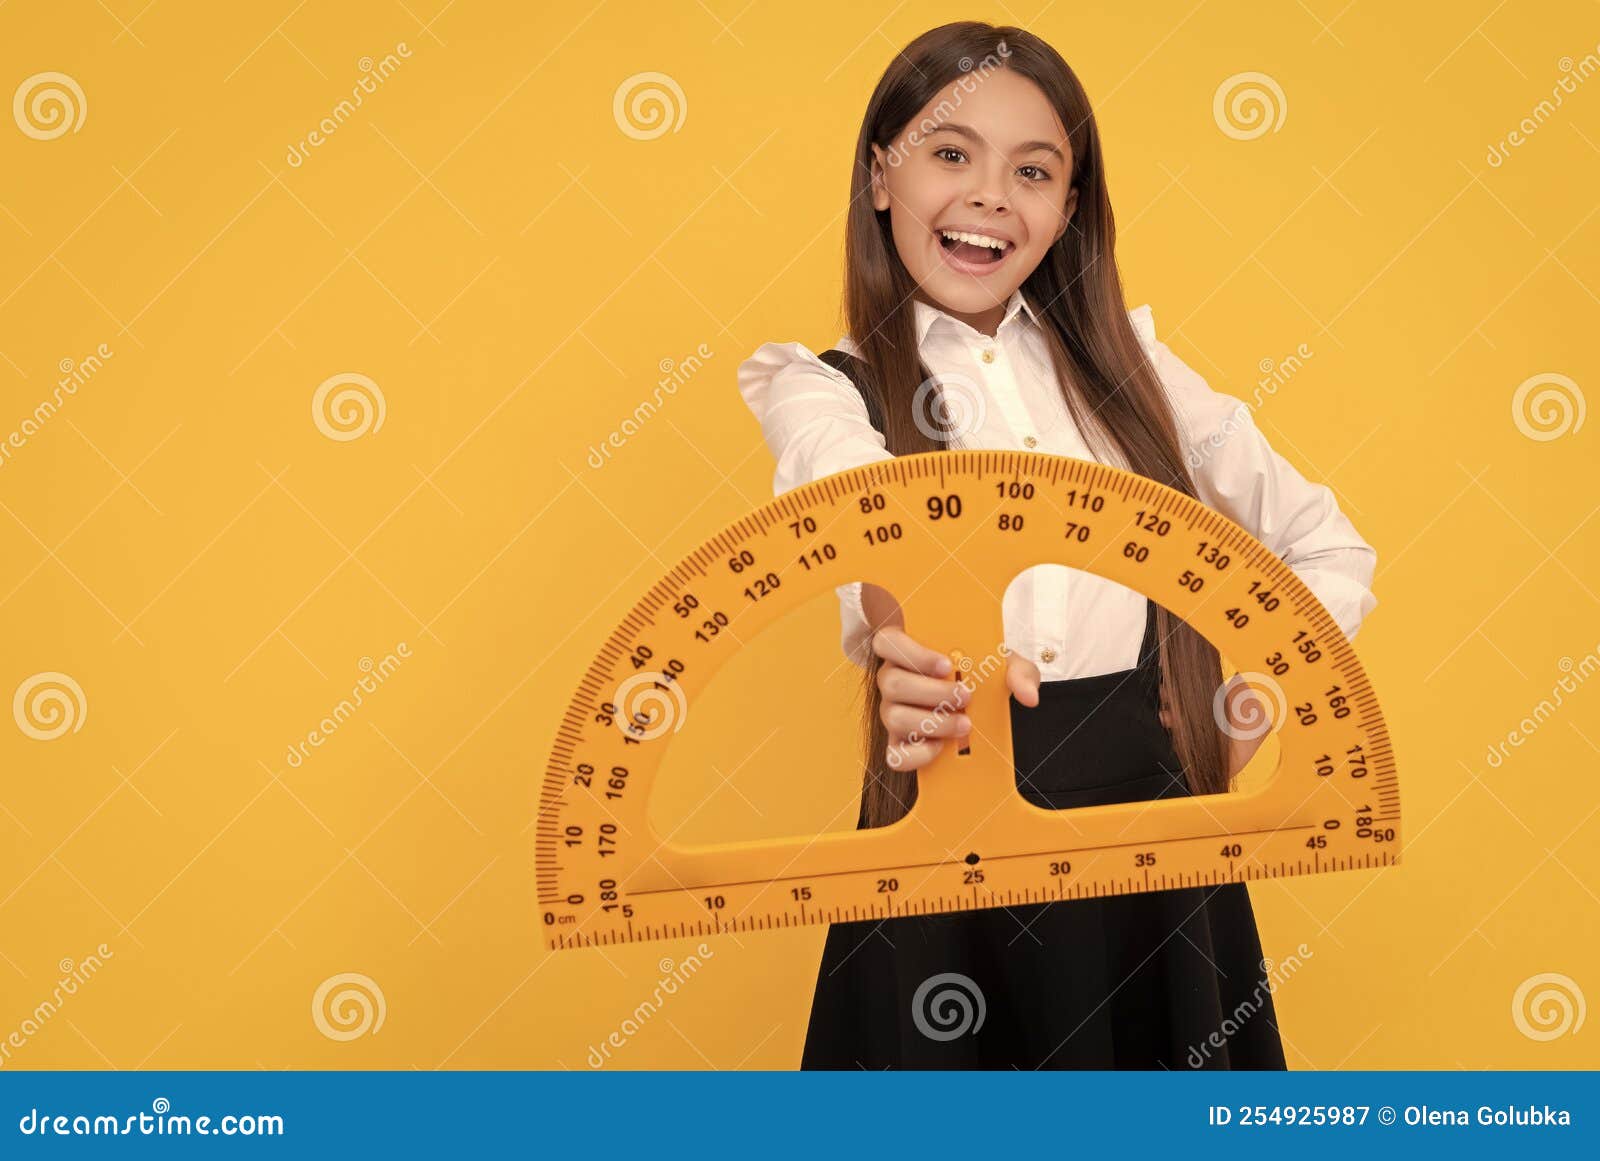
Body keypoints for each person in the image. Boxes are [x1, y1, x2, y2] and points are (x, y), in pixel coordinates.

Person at [735, 21, 1377, 1069]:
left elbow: (1325, 547)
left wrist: (1242, 693)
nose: (991, 195)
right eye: (951, 153)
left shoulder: (1137, 373)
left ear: (1068, 208)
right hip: (944, 833)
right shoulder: (821, 389)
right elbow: (856, 516)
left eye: (1032, 170)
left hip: (1153, 845)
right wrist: (904, 652)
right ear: (880, 174)